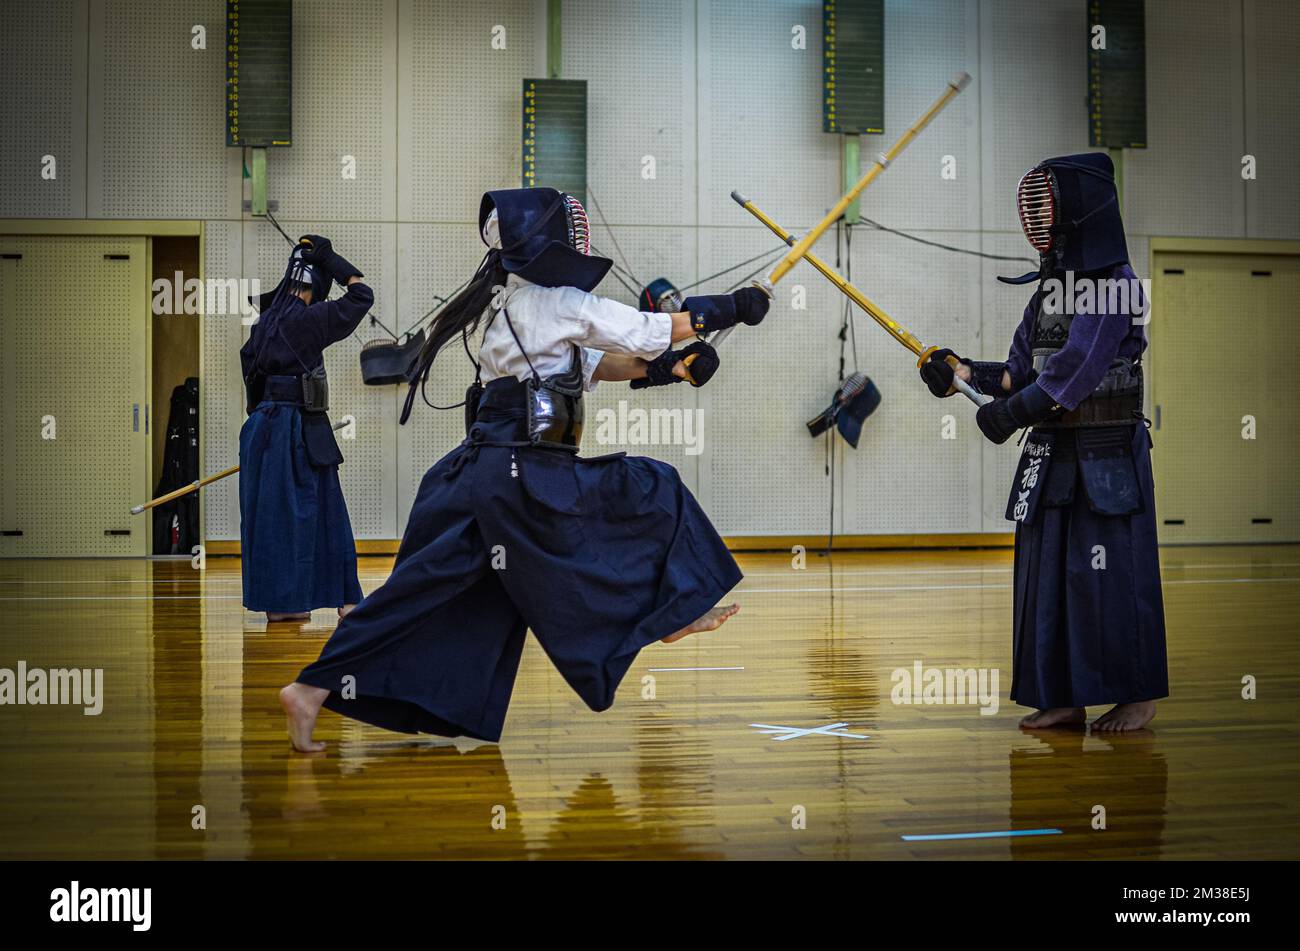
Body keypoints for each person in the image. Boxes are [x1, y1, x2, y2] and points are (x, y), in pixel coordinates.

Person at [279, 187, 768, 751]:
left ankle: (310, 689)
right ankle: (673, 611)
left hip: (483, 472)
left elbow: (604, 363)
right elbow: (644, 330)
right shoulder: (556, 302)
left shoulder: (511, 304)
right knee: (652, 489)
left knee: (416, 590)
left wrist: (670, 371)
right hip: (524, 475)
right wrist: (733, 308)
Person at [919, 153, 1167, 732]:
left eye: (1048, 206)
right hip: (1052, 455)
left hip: (1106, 457)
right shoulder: (1050, 293)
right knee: (1048, 576)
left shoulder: (1117, 287)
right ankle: (1062, 694)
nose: (1039, 222)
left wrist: (1007, 416)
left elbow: (1071, 375)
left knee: (1108, 577)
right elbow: (1016, 375)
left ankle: (1136, 694)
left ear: (1079, 210)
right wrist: (957, 372)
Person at [239, 236, 371, 623]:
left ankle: (283, 604)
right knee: (324, 510)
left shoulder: (264, 323)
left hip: (260, 431)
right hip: (298, 430)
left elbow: (251, 381)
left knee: (271, 518)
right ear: (318, 287)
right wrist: (334, 260)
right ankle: (346, 600)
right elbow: (362, 294)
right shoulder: (310, 320)